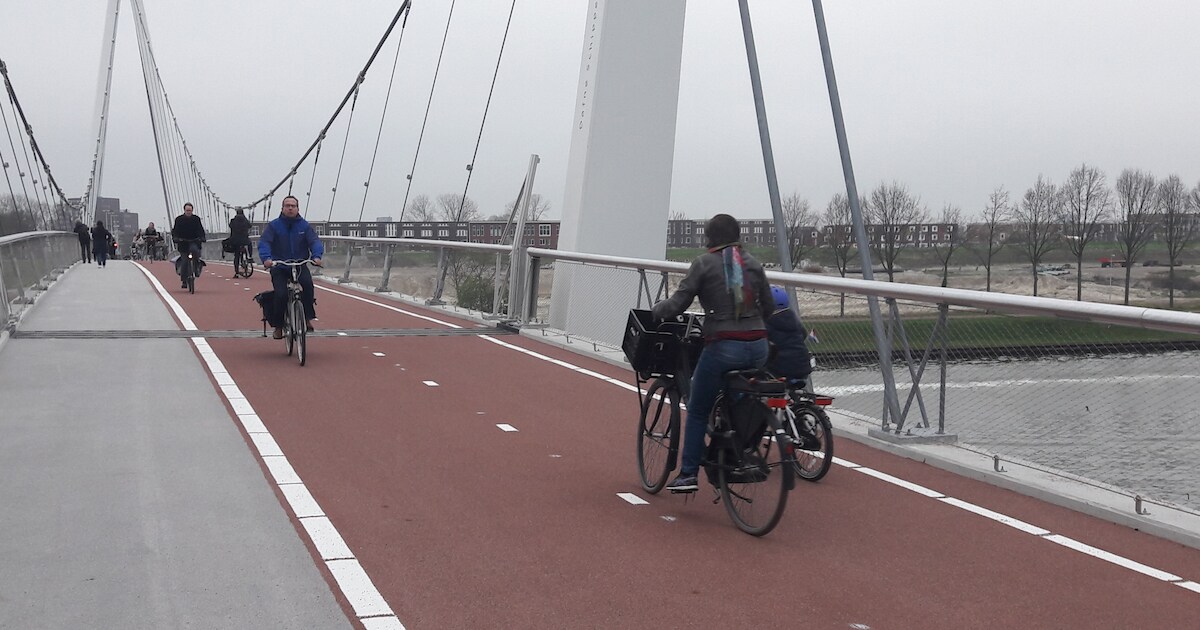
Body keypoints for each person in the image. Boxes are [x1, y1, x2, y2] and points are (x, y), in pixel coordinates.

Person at [651, 213, 774, 491]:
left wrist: (657, 310)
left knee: (697, 409)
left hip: (724, 346)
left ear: (709, 238)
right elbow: (768, 307)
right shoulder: (753, 263)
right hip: (758, 346)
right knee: (739, 400)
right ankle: (734, 452)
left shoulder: (704, 263)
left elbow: (679, 303)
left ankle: (688, 474)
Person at [258, 195, 324, 340]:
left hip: (299, 264)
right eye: (287, 205)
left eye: (293, 206)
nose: (290, 208)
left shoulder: (304, 226)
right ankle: (278, 326)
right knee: (281, 294)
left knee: (308, 286)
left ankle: (307, 317)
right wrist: (267, 259)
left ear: (297, 209)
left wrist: (316, 256)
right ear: (282, 208)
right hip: (280, 266)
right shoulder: (274, 226)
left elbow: (314, 242)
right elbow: (265, 243)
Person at [764, 285, 813, 387]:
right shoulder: (793, 319)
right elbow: (803, 334)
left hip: (779, 368)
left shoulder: (767, 323)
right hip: (803, 367)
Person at [171, 203, 206, 289]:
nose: (188, 212)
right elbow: (175, 231)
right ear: (184, 210)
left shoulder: (196, 219)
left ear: (192, 210)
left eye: (190, 210)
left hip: (194, 241)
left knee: (195, 253)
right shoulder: (179, 220)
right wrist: (176, 238)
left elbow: (200, 230)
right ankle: (184, 280)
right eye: (187, 210)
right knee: (184, 261)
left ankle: (196, 269)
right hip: (183, 242)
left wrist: (202, 237)